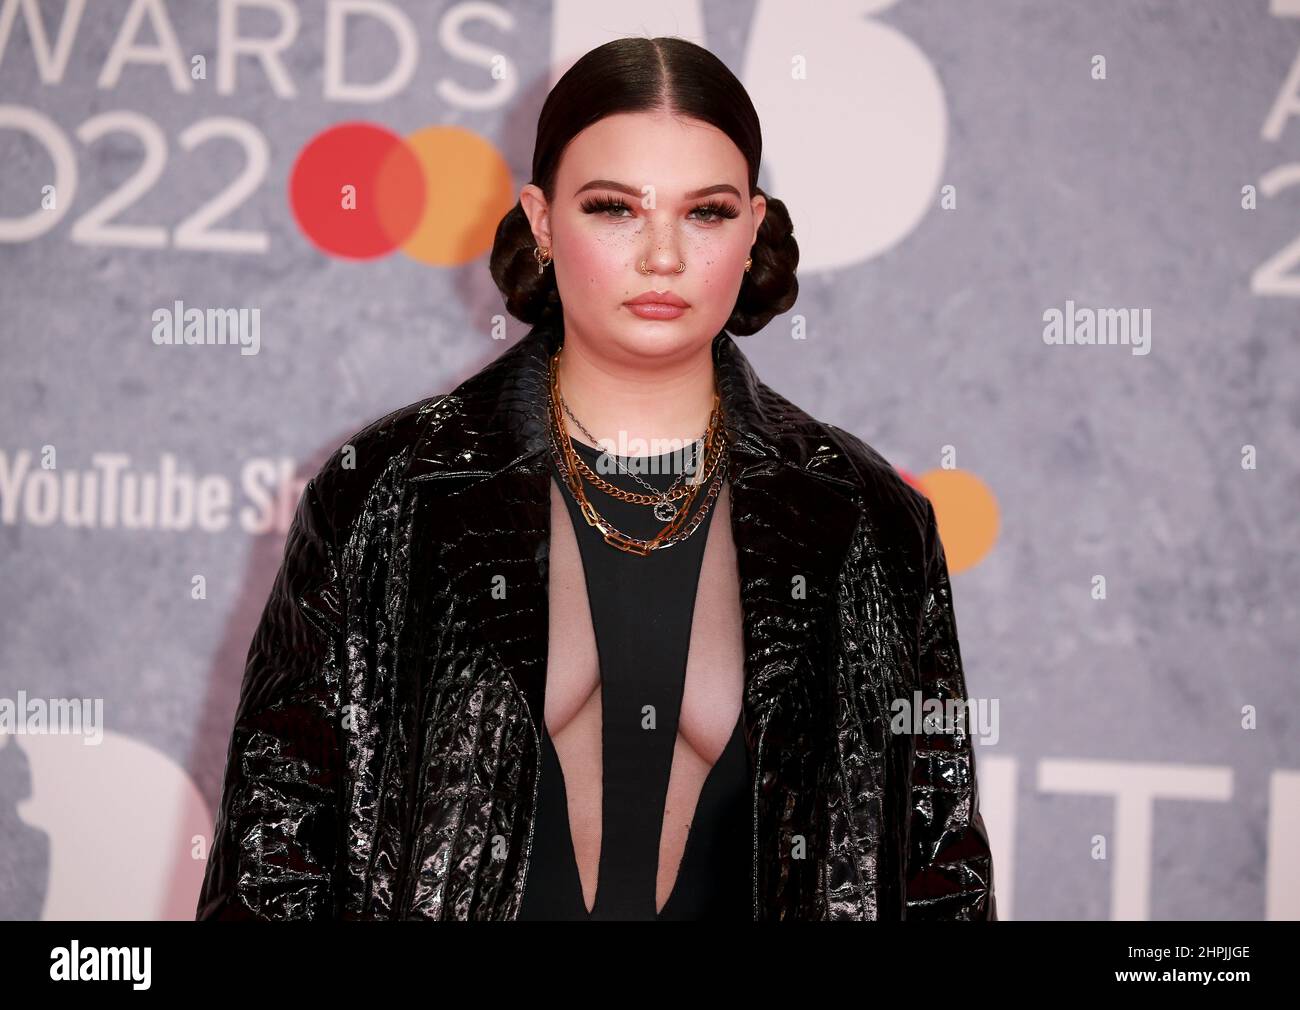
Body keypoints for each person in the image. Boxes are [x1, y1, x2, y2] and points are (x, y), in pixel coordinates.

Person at [195, 35, 996, 921]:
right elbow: (273, 864)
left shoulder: (863, 519)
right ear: (540, 222)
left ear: (754, 227)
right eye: (615, 208)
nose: (662, 256)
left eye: (707, 213)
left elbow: (939, 872)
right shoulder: (388, 490)